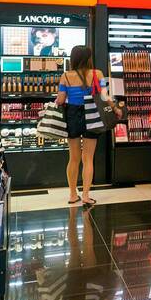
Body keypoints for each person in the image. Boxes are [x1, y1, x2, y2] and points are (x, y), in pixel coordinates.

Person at [55, 45, 108, 208]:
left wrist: (58, 100)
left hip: (73, 116)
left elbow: (61, 100)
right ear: (88, 58)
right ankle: (86, 195)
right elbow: (105, 97)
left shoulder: (66, 76)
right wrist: (115, 108)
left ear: (73, 58)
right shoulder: (98, 74)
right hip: (92, 115)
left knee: (74, 158)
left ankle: (73, 195)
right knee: (88, 158)